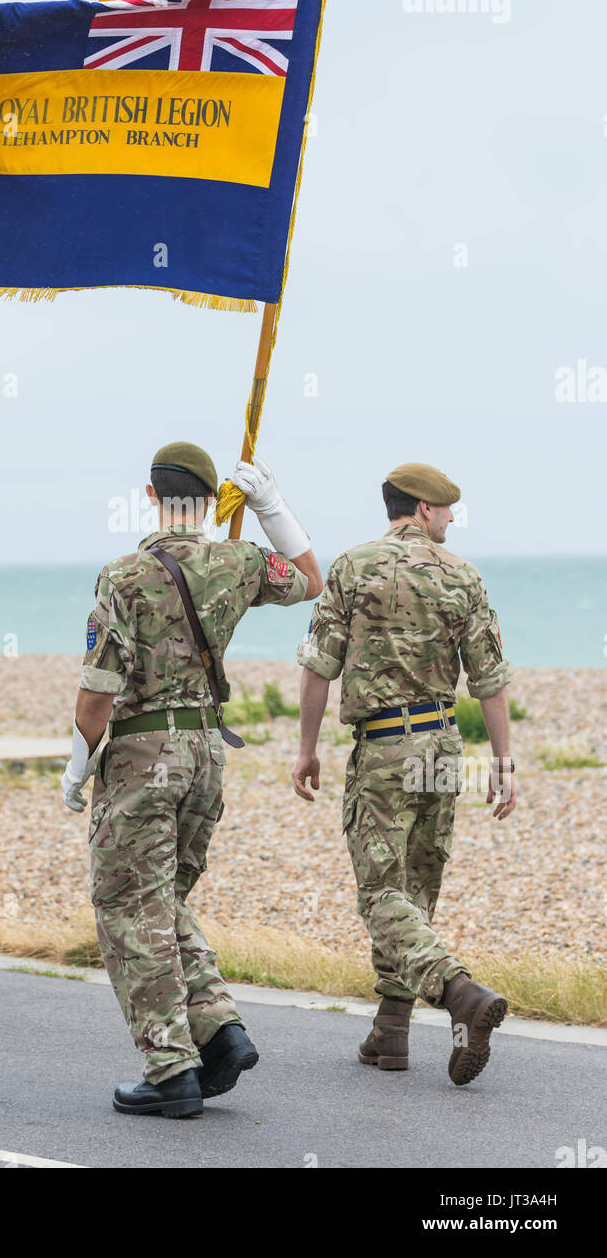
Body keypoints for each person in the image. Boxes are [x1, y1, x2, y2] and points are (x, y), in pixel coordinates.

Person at [62, 442, 322, 1118]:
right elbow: (309, 578)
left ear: (150, 495)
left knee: (127, 907)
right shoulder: (237, 562)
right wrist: (272, 506)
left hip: (142, 754)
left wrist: (76, 759)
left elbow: (99, 687)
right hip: (206, 749)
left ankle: (170, 1068)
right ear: (211, 501)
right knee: (164, 899)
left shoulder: (124, 575)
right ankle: (219, 1029)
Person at [291, 462, 516, 1086]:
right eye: (445, 509)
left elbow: (318, 666)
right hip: (442, 746)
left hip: (386, 744)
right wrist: (503, 763)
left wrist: (306, 749)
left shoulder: (352, 566)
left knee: (382, 893)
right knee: (416, 889)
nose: (450, 519)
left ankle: (460, 994)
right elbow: (491, 680)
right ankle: (390, 1032)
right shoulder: (463, 575)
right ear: (420, 508)